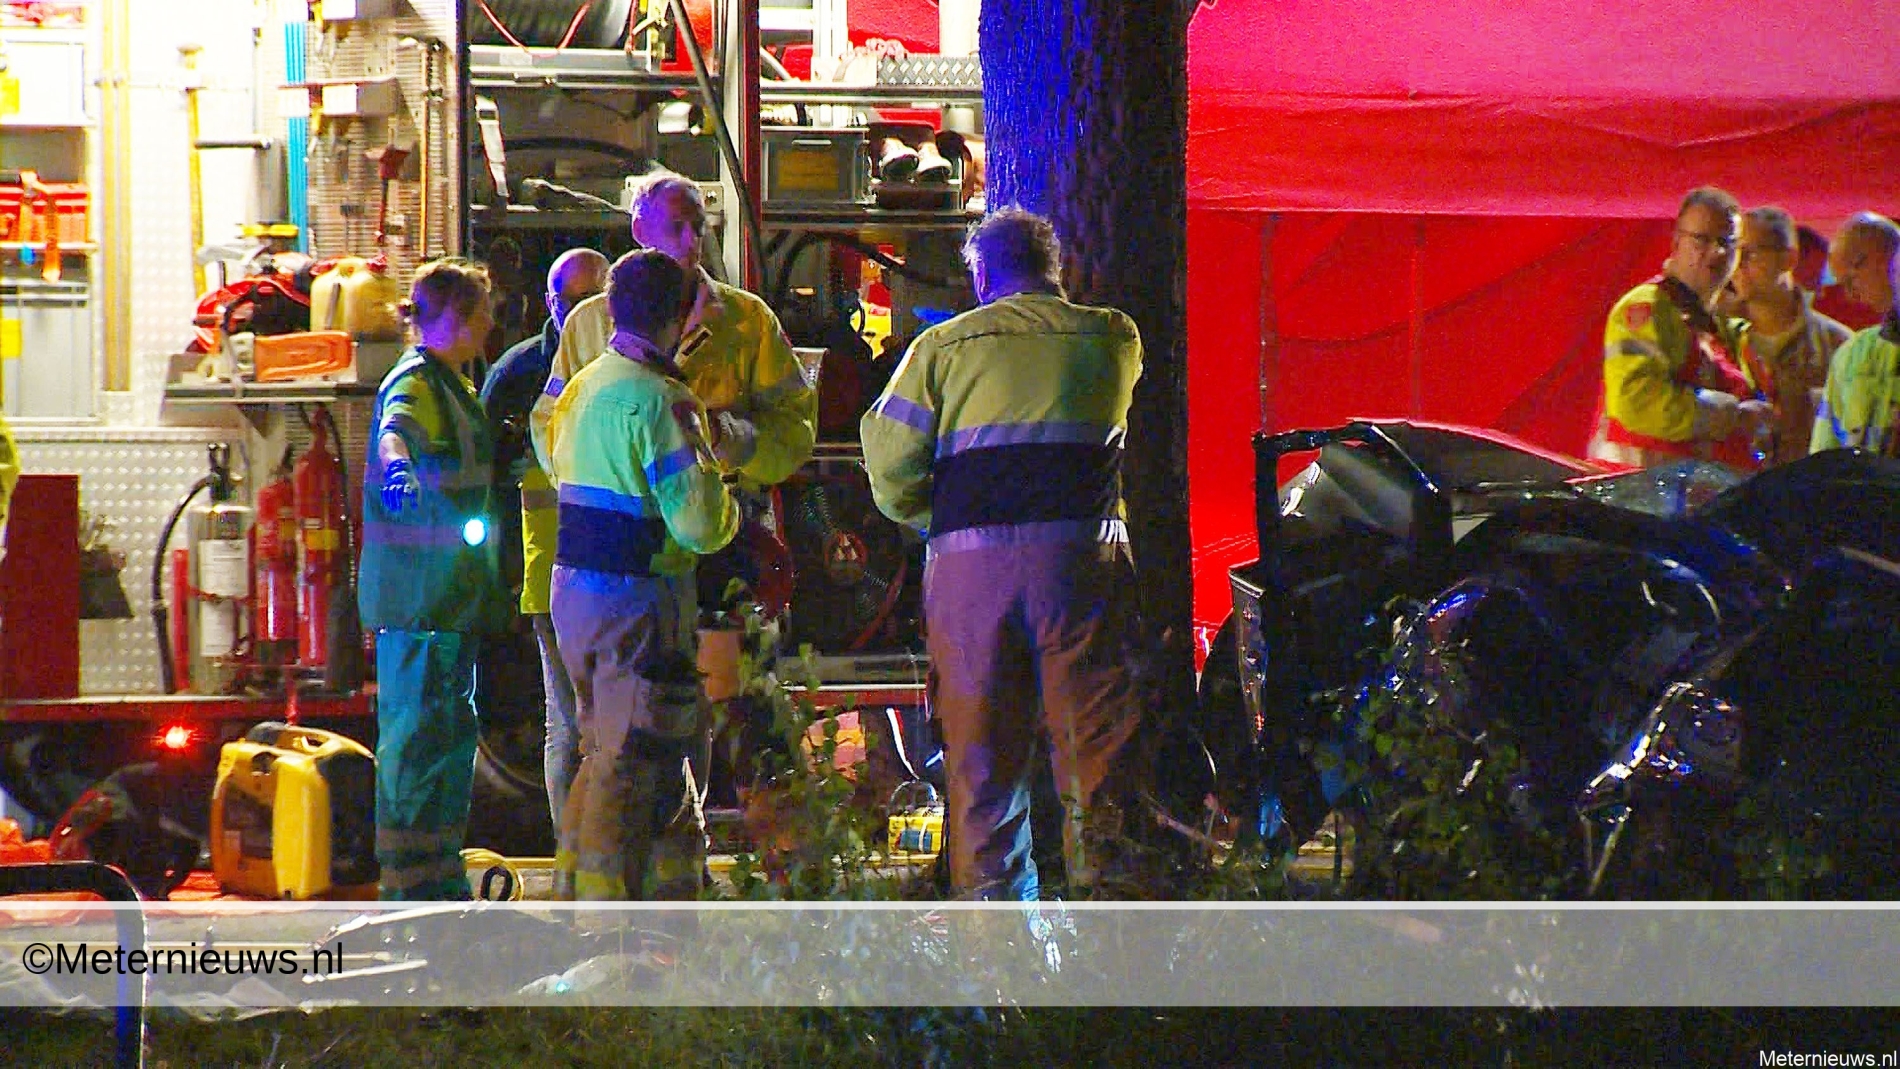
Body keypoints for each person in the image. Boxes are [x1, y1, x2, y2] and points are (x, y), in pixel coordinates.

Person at [860, 207, 1149, 901]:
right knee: (1096, 759)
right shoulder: (1114, 337)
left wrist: (938, 514)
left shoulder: (944, 348)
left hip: (971, 573)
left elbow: (889, 459)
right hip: (1081, 565)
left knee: (982, 767)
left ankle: (995, 963)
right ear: (1055, 268)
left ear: (982, 273)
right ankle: (1106, 940)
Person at [530, 169, 814, 798]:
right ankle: (648, 872)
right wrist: (607, 470)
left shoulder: (748, 322)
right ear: (638, 233)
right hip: (634, 561)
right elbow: (547, 423)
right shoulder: (587, 325)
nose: (693, 239)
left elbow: (796, 429)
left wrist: (739, 441)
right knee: (635, 737)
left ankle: (668, 869)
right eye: (677, 226)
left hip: (714, 558)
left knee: (720, 717)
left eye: (701, 225)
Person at [541, 249, 739, 900]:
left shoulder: (584, 385)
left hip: (576, 595)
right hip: (638, 603)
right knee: (626, 768)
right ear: (678, 317)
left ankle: (608, 907)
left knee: (608, 754)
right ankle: (607, 931)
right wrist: (728, 490)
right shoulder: (665, 402)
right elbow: (699, 524)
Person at [357, 259, 510, 900]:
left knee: (445, 743)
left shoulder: (455, 385)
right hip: (419, 605)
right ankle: (409, 892)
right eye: (479, 314)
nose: (488, 325)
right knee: (418, 747)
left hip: (445, 604)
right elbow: (397, 434)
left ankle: (434, 882)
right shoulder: (417, 385)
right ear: (448, 317)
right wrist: (398, 471)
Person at [479, 247, 609, 835]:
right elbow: (490, 479)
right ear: (548, 302)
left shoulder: (627, 364)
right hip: (549, 575)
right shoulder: (516, 376)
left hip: (616, 571)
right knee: (569, 724)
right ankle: (573, 857)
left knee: (613, 724)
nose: (580, 313)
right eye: (570, 301)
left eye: (593, 299)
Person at [1588, 186, 1772, 471]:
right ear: (1676, 244)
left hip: (1693, 503)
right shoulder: (1646, 307)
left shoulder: (1722, 328)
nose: (1717, 252)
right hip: (1637, 499)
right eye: (1702, 240)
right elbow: (1638, 403)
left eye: (1728, 242)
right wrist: (1734, 416)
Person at [1727, 207, 1851, 466]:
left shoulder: (1838, 345)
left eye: (1750, 254)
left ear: (1789, 259)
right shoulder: (1714, 335)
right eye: (1733, 251)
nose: (1736, 265)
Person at [1811, 213, 1900, 456]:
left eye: (1852, 280)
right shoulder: (1850, 356)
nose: (1851, 296)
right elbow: (1824, 458)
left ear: (1883, 258)